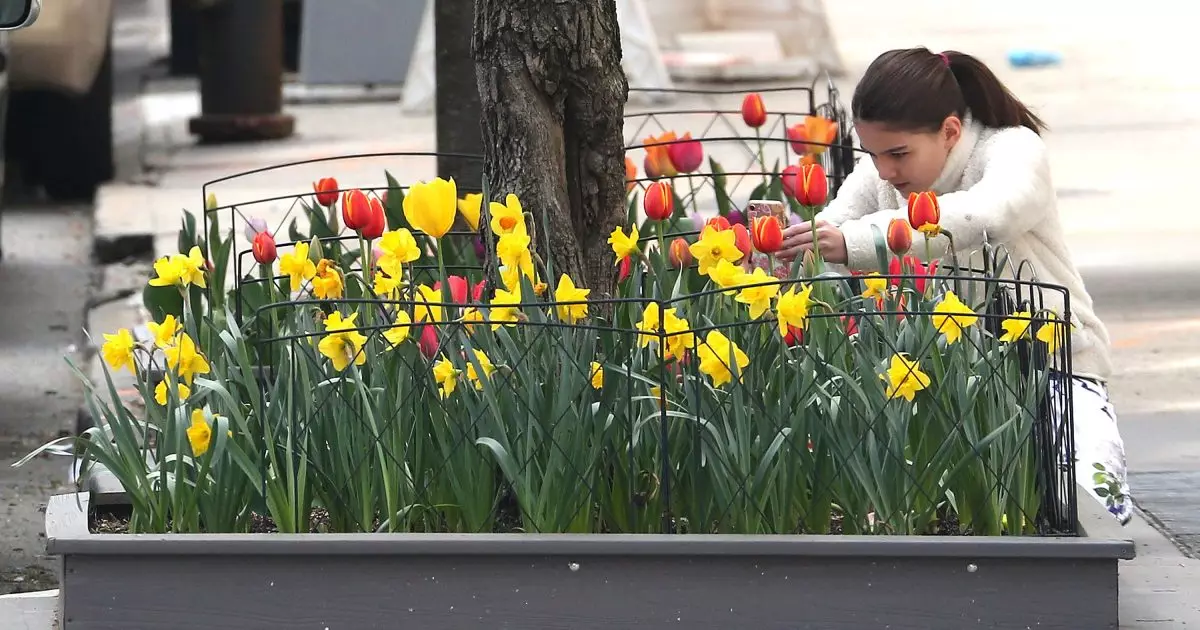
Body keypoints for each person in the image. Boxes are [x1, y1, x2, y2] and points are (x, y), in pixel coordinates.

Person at [777, 47, 1133, 525]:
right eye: (873, 154)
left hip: (1051, 369)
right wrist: (794, 248)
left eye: (898, 154)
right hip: (936, 381)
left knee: (1096, 511)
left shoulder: (1012, 150)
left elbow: (991, 213)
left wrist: (858, 241)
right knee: (909, 508)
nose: (885, 171)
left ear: (950, 130)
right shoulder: (880, 172)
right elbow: (835, 227)